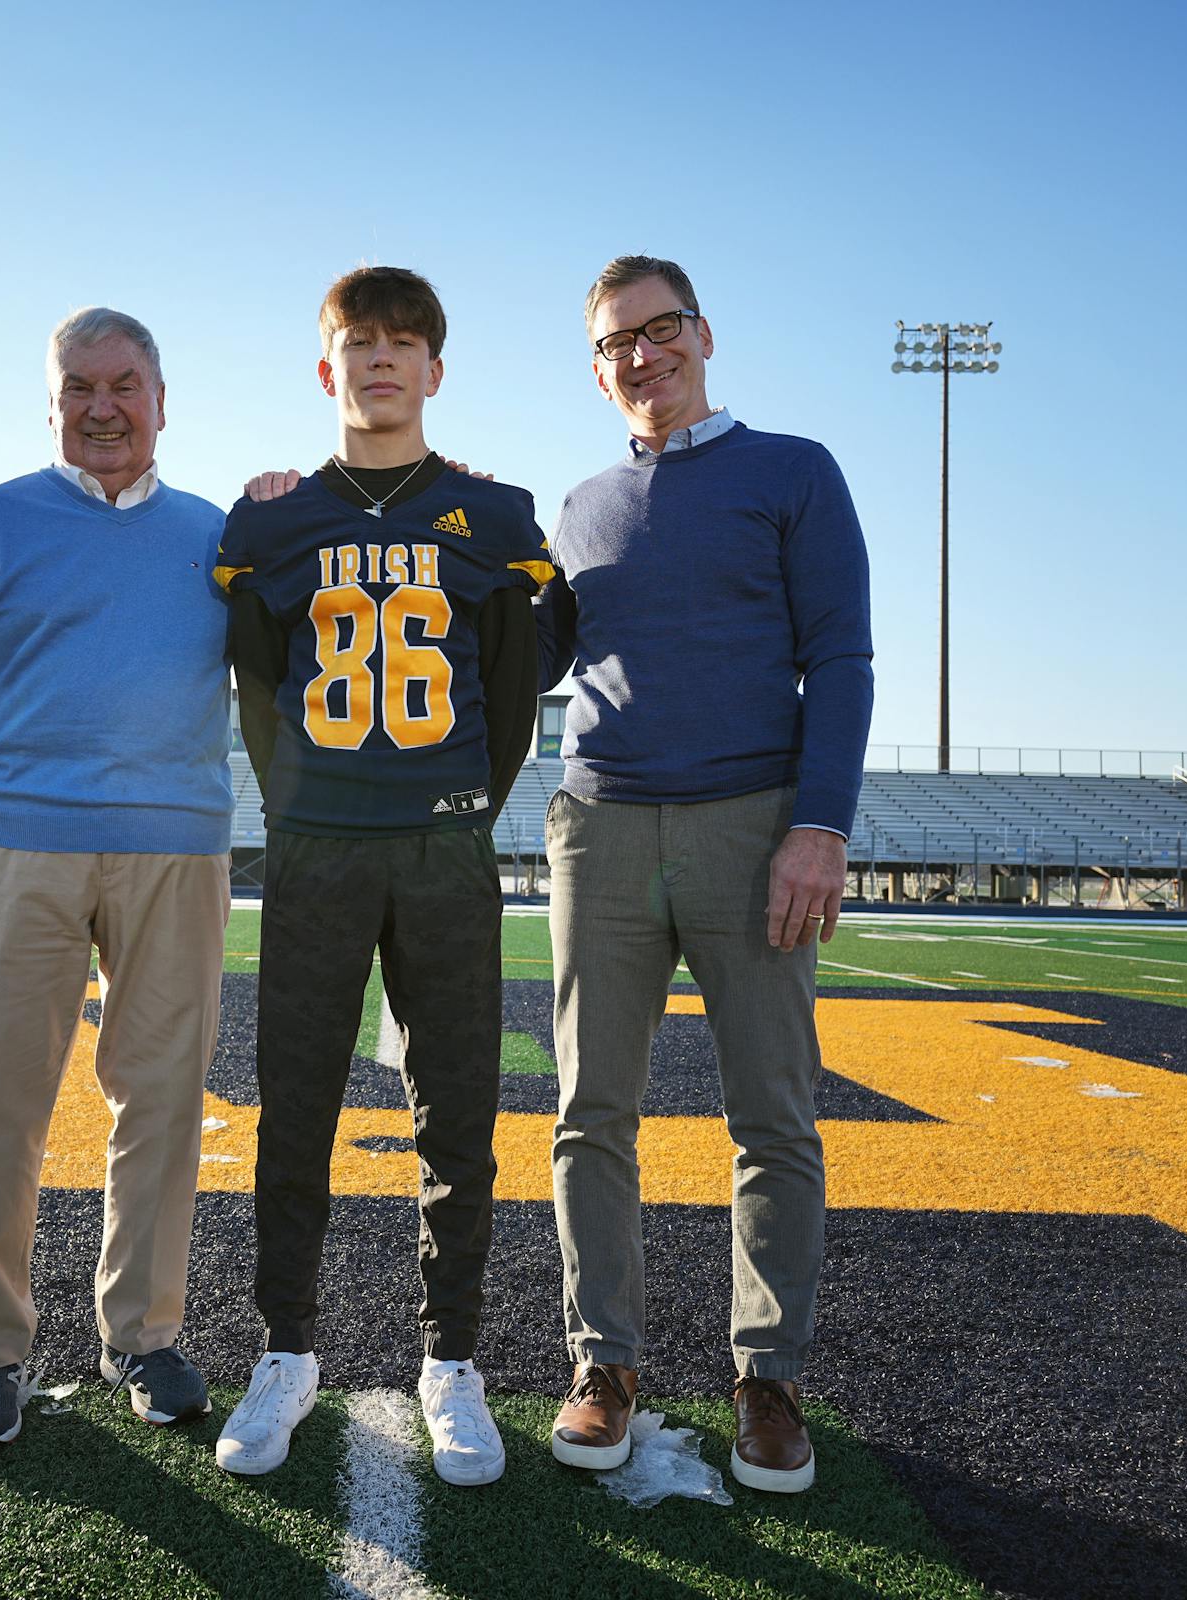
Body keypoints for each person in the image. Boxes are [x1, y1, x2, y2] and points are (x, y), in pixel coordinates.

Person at [536, 256, 874, 1495]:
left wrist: (819, 824)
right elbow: (526, 666)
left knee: (772, 1112)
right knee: (590, 1114)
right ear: (597, 366)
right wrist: (458, 543)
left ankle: (768, 1374)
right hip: (603, 823)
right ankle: (603, 1362)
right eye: (616, 341)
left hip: (754, 822)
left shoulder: (794, 469)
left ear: (704, 333)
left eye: (659, 327)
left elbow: (840, 653)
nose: (641, 354)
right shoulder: (575, 506)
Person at [212, 266, 552, 1487]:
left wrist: (459, 805)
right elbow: (255, 682)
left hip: (445, 845)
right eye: (360, 344)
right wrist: (307, 800)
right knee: (293, 1102)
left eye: (405, 345)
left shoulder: (497, 517)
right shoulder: (267, 520)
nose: (382, 362)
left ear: (435, 370)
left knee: (458, 1110)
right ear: (328, 369)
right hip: (318, 845)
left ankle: (450, 1357)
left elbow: (513, 693)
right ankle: (285, 1349)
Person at [0, 307, 232, 1446]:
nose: (103, 406)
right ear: (51, 401)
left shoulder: (216, 535)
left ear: (162, 398)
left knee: (165, 1098)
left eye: (124, 384)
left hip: (176, 846)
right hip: (13, 845)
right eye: (79, 386)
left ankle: (144, 1332)